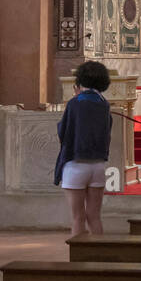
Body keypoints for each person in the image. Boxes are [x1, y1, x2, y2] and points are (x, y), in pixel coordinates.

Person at [54, 60, 113, 243]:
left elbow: (64, 133)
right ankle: (100, 258)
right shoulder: (104, 104)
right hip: (97, 165)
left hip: (76, 165)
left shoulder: (74, 103)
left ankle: (78, 263)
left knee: (77, 217)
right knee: (94, 216)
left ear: (79, 81)